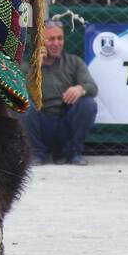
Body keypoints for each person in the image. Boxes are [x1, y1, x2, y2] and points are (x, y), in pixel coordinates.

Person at [18, 21, 97, 166]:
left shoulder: (73, 62)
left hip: (63, 121)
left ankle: (74, 153)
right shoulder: (26, 65)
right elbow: (17, 90)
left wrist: (80, 89)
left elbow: (92, 87)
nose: (56, 43)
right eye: (51, 39)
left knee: (88, 104)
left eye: (60, 38)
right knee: (23, 105)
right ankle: (36, 154)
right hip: (38, 123)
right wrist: (36, 68)